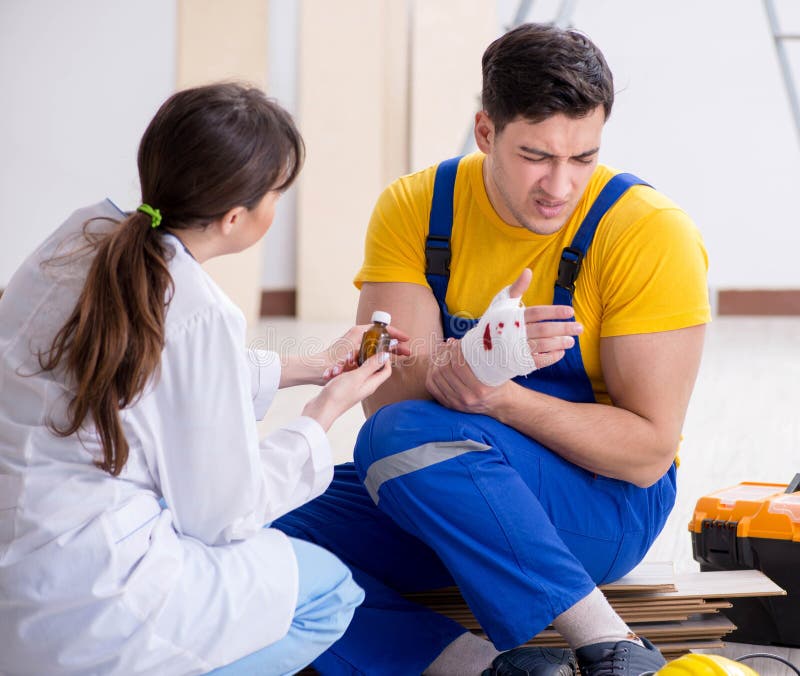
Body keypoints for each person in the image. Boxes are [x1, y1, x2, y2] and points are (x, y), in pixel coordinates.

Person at [275, 22, 710, 676]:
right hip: (444, 482)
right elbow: (386, 403)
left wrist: (499, 395)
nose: (560, 186)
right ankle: (481, 668)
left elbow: (647, 453)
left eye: (582, 157)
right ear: (486, 133)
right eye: (536, 155)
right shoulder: (417, 208)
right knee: (253, 537)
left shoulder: (648, 233)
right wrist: (467, 363)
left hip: (598, 504)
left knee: (406, 436)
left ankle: (612, 646)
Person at [0, 83, 409, 675]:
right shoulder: (201, 310)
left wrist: (310, 366)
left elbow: (165, 369)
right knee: (331, 594)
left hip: (20, 574)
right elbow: (223, 516)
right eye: (277, 194)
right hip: (96, 600)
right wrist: (326, 410)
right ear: (238, 217)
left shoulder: (81, 232)